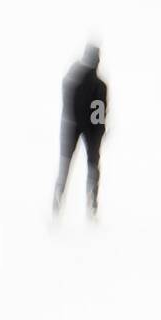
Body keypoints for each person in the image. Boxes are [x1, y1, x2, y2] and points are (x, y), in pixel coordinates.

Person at [53, 45, 107, 219]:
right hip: (84, 129)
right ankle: (90, 205)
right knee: (89, 166)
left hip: (74, 126)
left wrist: (97, 131)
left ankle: (60, 201)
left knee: (68, 167)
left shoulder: (74, 78)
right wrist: (98, 132)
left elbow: (95, 111)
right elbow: (98, 114)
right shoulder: (98, 85)